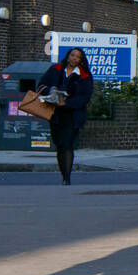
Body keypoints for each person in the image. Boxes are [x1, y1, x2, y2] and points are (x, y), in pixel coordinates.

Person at [35, 47, 93, 184]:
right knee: (59, 145)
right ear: (68, 56)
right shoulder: (55, 69)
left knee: (67, 144)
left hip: (73, 115)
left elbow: (85, 97)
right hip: (55, 113)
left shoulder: (84, 75)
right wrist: (52, 91)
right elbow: (41, 85)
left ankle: (67, 178)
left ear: (81, 60)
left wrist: (66, 103)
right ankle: (63, 174)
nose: (74, 58)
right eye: (72, 55)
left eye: (77, 57)